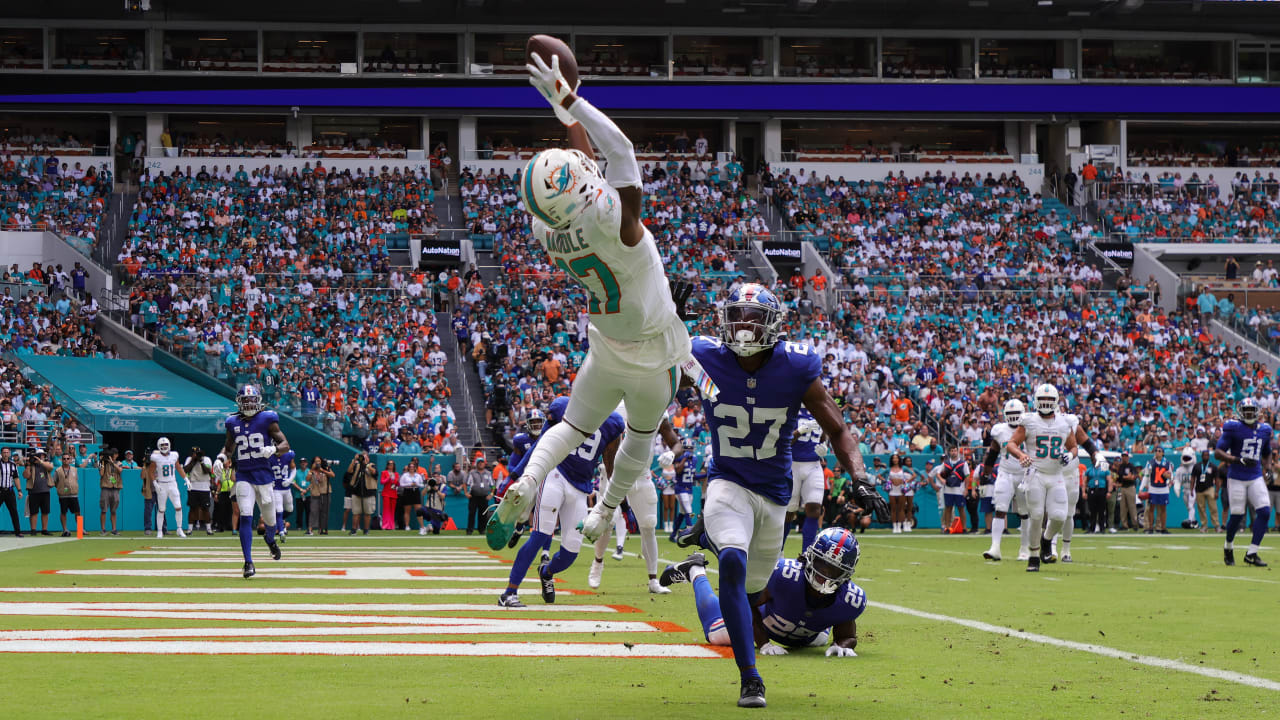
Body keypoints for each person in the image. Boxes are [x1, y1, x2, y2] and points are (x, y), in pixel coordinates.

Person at [487, 53, 693, 551]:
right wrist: (572, 99)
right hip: (653, 347)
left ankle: (528, 481)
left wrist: (564, 115)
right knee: (641, 437)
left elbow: (587, 178)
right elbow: (618, 151)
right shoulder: (612, 220)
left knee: (572, 426)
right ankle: (604, 512)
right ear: (582, 188)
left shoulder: (547, 228)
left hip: (606, 345)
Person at [672, 283, 885, 708]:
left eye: (754, 317)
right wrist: (668, 321)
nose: (744, 326)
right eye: (738, 315)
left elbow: (838, 428)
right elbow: (654, 363)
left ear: (773, 325)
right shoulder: (702, 354)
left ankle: (702, 556)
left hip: (773, 497)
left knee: (754, 587)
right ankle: (750, 677)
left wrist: (859, 476)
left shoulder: (795, 366)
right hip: (727, 480)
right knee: (733, 561)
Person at [660, 528, 865, 662]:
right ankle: (695, 570)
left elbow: (847, 635)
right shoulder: (785, 575)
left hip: (807, 633)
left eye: (834, 570)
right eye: (822, 564)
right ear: (810, 557)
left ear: (846, 574)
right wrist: (764, 643)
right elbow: (747, 602)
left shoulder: (851, 599)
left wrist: (842, 644)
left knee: (819, 639)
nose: (824, 575)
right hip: (764, 622)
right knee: (717, 635)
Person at [499, 396, 625, 608]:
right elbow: (541, 443)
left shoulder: (614, 422)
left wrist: (612, 500)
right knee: (539, 534)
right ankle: (509, 593)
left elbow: (610, 463)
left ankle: (546, 572)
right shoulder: (564, 407)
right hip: (556, 472)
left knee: (571, 552)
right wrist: (515, 475)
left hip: (581, 486)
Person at [588, 408, 683, 594]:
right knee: (607, 521)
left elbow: (676, 443)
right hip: (613, 474)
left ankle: (653, 580)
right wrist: (621, 500)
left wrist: (672, 454)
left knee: (648, 525)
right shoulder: (616, 409)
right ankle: (598, 562)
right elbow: (608, 457)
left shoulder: (656, 409)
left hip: (642, 474)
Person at [1004, 384, 1077, 572]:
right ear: (1036, 400)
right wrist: (1021, 455)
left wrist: (1070, 455)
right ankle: (1034, 556)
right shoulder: (1028, 420)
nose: (1045, 403)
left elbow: (1074, 447)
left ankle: (1046, 540)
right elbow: (1011, 444)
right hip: (1035, 473)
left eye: (1049, 400)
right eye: (1042, 400)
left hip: (1056, 474)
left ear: (1055, 402)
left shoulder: (1063, 422)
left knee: (1060, 516)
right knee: (1036, 516)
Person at [221, 384, 289, 578]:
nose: (249, 403)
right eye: (245, 400)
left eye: (252, 399)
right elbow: (228, 448)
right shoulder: (232, 422)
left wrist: (274, 449)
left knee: (270, 521)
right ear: (239, 402)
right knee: (245, 513)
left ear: (258, 400)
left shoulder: (268, 418)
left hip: (265, 477)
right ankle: (248, 562)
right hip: (244, 475)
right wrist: (220, 458)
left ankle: (270, 539)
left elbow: (285, 444)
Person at [1214, 398, 1272, 567]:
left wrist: (1267, 468)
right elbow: (1218, 452)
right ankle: (1228, 547)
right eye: (1245, 411)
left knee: (1265, 512)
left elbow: (1267, 452)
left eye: (1251, 410)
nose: (1248, 414)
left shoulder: (1265, 430)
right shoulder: (1233, 428)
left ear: (1257, 411)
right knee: (1237, 515)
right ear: (1240, 412)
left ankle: (1252, 553)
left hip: (1255, 476)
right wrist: (1237, 460)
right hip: (1237, 476)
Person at [788, 408, 827, 552]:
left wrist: (824, 446)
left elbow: (822, 436)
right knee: (789, 511)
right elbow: (783, 440)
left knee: (815, 509)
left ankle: (807, 553)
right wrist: (799, 431)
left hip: (814, 464)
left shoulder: (819, 409)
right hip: (793, 464)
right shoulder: (790, 407)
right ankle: (777, 552)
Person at [150, 437, 187, 539]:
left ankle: (179, 529)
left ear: (169, 445)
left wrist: (186, 479)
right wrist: (155, 483)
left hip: (172, 483)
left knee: (178, 507)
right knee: (161, 509)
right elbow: (151, 471)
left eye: (166, 445)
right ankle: (160, 531)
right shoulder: (155, 457)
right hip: (162, 484)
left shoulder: (174, 455)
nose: (164, 447)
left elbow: (178, 467)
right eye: (162, 445)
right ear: (159, 446)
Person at [1140, 446, 1175, 534]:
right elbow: (1146, 476)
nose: (1157, 452)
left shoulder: (1167, 463)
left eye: (1159, 451)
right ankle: (1150, 528)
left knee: (1163, 509)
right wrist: (1141, 488)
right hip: (1153, 488)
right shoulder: (1150, 463)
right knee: (1151, 509)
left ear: (1163, 453)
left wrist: (1169, 477)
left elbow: (1171, 476)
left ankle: (1163, 528)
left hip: (1163, 488)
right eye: (1156, 451)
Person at [184, 446, 214, 535]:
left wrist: (200, 461)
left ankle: (209, 529)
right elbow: (186, 470)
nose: (196, 455)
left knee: (206, 508)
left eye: (197, 453)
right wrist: (193, 461)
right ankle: (189, 529)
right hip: (193, 486)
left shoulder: (207, 459)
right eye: (194, 453)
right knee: (192, 508)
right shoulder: (189, 459)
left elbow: (207, 471)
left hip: (204, 486)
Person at [346, 452, 377, 535]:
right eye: (362, 457)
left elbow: (374, 473)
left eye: (365, 457)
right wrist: (354, 460)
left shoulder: (371, 465)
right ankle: (354, 529)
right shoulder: (357, 465)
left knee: (367, 512)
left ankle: (366, 530)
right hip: (356, 492)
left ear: (368, 458)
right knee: (356, 512)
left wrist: (366, 464)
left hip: (369, 492)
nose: (363, 459)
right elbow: (349, 471)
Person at [23, 449, 53, 536]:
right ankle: (33, 529)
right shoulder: (31, 465)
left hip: (45, 491)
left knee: (45, 511)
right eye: (39, 455)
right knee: (33, 512)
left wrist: (41, 461)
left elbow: (50, 468)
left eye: (42, 455)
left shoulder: (46, 464)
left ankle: (44, 529)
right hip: (33, 491)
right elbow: (26, 476)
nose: (41, 456)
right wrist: (28, 465)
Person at [270, 450, 296, 540]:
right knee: (279, 510)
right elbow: (264, 470)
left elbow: (293, 469)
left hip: (286, 488)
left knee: (290, 509)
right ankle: (281, 532)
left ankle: (279, 522)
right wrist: (270, 481)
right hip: (276, 488)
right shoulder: (269, 456)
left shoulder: (288, 455)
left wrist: (290, 480)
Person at [1192, 450, 1221, 533]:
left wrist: (1217, 491)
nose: (1206, 456)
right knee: (1201, 508)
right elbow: (1193, 478)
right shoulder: (1197, 466)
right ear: (1201, 456)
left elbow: (1217, 479)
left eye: (1207, 455)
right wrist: (1191, 489)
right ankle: (1204, 526)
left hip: (1210, 488)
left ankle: (1216, 526)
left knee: (1213, 508)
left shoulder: (1213, 466)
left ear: (1209, 456)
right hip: (1199, 489)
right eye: (1204, 455)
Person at [52, 453, 80, 537]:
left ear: (70, 460)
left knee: (78, 512)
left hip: (74, 494)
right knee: (63, 512)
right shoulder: (58, 470)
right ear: (62, 460)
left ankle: (80, 529)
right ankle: (65, 529)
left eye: (68, 458)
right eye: (64, 459)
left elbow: (76, 480)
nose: (66, 460)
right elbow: (55, 482)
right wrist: (61, 489)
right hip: (63, 495)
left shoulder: (75, 469)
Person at [98, 448, 122, 536]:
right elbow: (101, 474)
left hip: (115, 487)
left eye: (115, 454)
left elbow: (120, 470)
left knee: (113, 510)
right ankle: (103, 529)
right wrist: (103, 462)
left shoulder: (118, 463)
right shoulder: (103, 463)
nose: (113, 456)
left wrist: (112, 462)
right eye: (112, 454)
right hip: (105, 487)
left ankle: (114, 529)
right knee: (104, 510)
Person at [466, 458, 493, 535]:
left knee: (483, 514)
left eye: (482, 462)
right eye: (479, 463)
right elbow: (466, 483)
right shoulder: (472, 473)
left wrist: (491, 494)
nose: (481, 464)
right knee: (472, 513)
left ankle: (482, 529)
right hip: (474, 496)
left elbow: (493, 485)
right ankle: (470, 530)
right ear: (476, 464)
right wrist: (466, 492)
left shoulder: (488, 473)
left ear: (485, 464)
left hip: (484, 496)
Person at [398, 457, 426, 534]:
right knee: (407, 510)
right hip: (407, 491)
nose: (411, 468)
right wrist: (410, 484)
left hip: (416, 492)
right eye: (410, 467)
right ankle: (407, 526)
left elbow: (422, 484)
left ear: (415, 468)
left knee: (419, 510)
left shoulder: (418, 475)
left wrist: (416, 484)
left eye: (413, 467)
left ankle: (422, 527)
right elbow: (401, 484)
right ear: (408, 467)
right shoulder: (405, 475)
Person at [1085, 458, 1112, 534]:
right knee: (1092, 510)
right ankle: (1091, 528)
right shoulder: (1089, 469)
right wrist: (1084, 492)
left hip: (1101, 490)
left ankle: (1102, 528)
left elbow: (1109, 480)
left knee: (1101, 510)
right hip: (1092, 489)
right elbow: (1085, 481)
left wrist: (1109, 491)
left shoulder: (1104, 469)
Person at [308, 457, 333, 535]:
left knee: (324, 512)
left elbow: (332, 475)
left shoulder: (326, 468)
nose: (318, 463)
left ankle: (321, 529)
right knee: (313, 511)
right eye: (316, 462)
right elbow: (307, 479)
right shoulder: (312, 470)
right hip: (315, 492)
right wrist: (311, 470)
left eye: (319, 461)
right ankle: (310, 529)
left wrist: (323, 471)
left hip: (325, 492)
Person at [0, 448, 22, 536]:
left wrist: (19, 490)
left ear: (9, 454)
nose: (5, 454)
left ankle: (18, 532)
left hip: (9, 490)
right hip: (0, 490)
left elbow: (16, 478)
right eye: (4, 452)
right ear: (1, 453)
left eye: (7, 452)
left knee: (14, 511)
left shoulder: (13, 465)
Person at [380, 459, 400, 531]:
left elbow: (397, 484)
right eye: (389, 464)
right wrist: (388, 477)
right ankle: (385, 525)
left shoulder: (396, 474)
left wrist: (397, 481)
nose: (391, 465)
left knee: (392, 510)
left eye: (392, 464)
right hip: (386, 493)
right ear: (387, 465)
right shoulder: (384, 472)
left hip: (393, 493)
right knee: (386, 510)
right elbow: (382, 482)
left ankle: (391, 526)